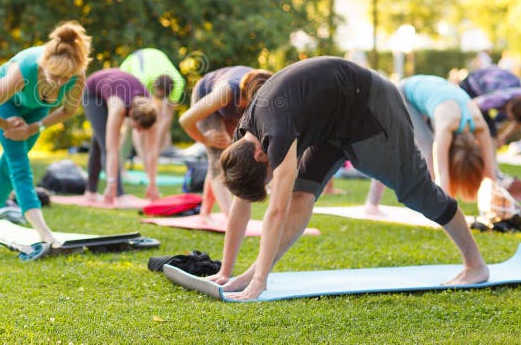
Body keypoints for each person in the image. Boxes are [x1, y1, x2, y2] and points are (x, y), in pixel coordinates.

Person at [206, 57, 488, 300]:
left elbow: (276, 212)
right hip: (331, 123)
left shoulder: (276, 134)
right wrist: (226, 272)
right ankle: (251, 272)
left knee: (416, 191)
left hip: (370, 106)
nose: (271, 180)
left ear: (259, 155)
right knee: (301, 194)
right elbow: (242, 200)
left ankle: (475, 265)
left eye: (267, 177)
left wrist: (260, 284)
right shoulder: (243, 139)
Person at [0, 21, 91, 246]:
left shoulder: (76, 75)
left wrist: (34, 127)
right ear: (44, 65)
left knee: (7, 168)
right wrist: (7, 125)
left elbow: (67, 111)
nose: (61, 82)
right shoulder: (22, 72)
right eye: (55, 76)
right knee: (19, 164)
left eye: (66, 78)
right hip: (6, 106)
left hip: (36, 111)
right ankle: (44, 232)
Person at [365, 74, 498, 213]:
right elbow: (441, 174)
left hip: (428, 91)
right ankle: (372, 205)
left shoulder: (481, 126)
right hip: (403, 94)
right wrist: (448, 213)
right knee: (423, 152)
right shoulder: (446, 126)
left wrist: (496, 207)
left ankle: (429, 205)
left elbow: (489, 173)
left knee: (425, 151)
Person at [178, 66, 272, 220]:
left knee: (229, 153)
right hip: (206, 94)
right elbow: (186, 120)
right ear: (243, 98)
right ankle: (230, 218)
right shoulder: (226, 92)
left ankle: (205, 212)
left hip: (233, 103)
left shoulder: (264, 95)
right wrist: (205, 139)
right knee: (217, 155)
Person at [82, 68, 160, 203]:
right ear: (131, 117)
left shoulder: (150, 112)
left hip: (113, 87)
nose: (140, 132)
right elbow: (111, 150)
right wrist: (111, 184)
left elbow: (151, 152)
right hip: (92, 93)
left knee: (98, 140)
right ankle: (118, 194)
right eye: (138, 128)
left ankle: (90, 191)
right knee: (104, 141)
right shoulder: (118, 107)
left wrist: (152, 183)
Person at [119, 48, 185, 152]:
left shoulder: (178, 84)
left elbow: (168, 117)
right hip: (130, 66)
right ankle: (137, 155)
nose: (158, 99)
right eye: (157, 95)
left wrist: (157, 146)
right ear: (154, 86)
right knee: (132, 121)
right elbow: (139, 115)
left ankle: (162, 149)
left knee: (160, 116)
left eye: (161, 97)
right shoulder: (142, 79)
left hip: (155, 58)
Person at [459, 65, 521, 147]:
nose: (509, 118)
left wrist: (503, 137)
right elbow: (472, 105)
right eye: (510, 116)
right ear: (510, 107)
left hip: (487, 88)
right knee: (489, 129)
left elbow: (519, 121)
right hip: (470, 86)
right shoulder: (499, 98)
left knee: (492, 128)